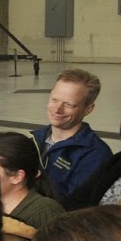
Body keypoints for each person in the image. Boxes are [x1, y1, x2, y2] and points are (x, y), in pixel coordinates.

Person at [31, 69, 111, 203]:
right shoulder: (32, 139)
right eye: (54, 99)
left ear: (88, 109)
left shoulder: (95, 155)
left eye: (68, 104)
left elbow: (74, 207)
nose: (57, 109)